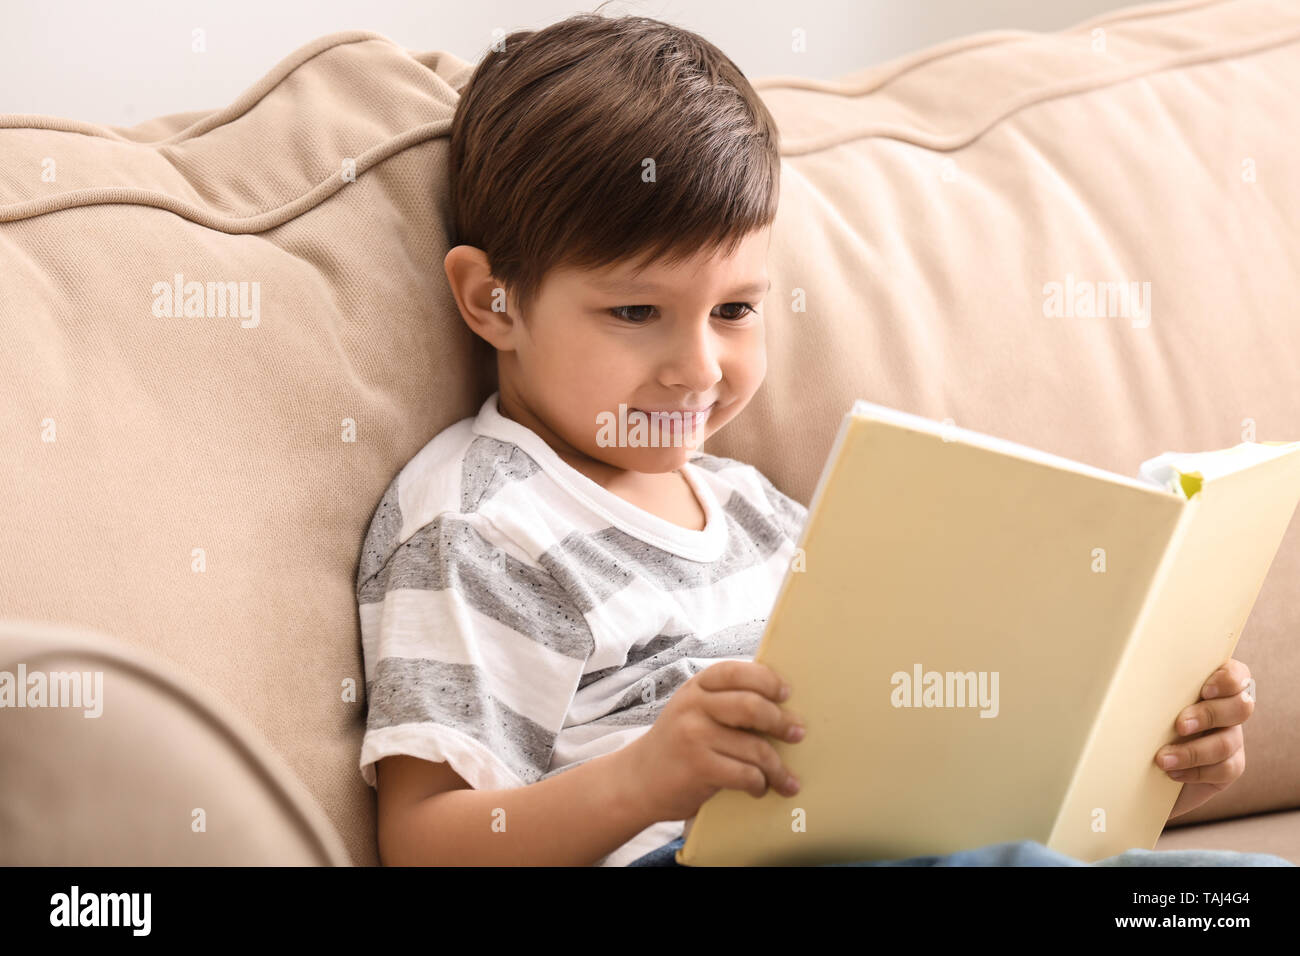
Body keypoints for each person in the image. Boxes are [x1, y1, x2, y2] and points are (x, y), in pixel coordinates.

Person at [355, 10, 1289, 868]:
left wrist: (1153, 766)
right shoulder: (479, 523)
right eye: (636, 310)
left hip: (862, 844)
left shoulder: (759, 513)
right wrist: (645, 777)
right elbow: (425, 843)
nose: (698, 367)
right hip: (679, 859)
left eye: (733, 310)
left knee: (1205, 890)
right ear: (493, 300)